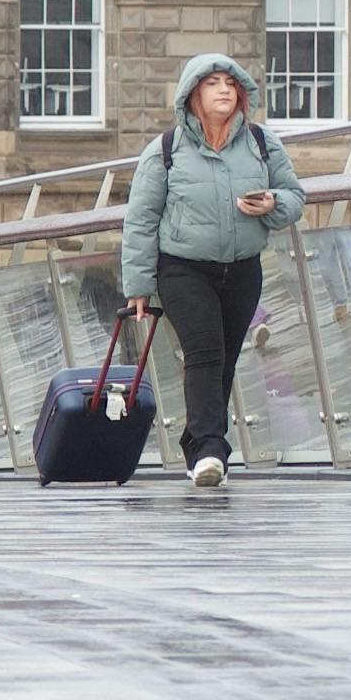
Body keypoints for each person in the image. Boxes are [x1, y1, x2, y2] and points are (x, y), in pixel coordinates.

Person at [119, 51, 302, 495]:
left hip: (242, 269)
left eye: (230, 82)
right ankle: (210, 450)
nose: (224, 89)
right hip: (182, 269)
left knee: (224, 362)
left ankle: (198, 443)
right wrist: (139, 285)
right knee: (203, 355)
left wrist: (273, 204)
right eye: (212, 83)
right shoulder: (165, 150)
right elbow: (141, 218)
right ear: (192, 95)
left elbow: (295, 195)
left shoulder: (261, 142)